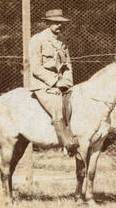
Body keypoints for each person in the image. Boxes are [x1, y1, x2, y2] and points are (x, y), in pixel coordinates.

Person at [28, 8, 78, 154]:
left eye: (61, 23)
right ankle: (66, 143)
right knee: (57, 105)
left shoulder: (63, 41)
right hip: (43, 85)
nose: (59, 26)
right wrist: (56, 81)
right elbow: (36, 69)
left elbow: (68, 64)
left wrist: (68, 81)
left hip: (62, 84)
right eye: (56, 23)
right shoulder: (37, 40)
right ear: (48, 23)